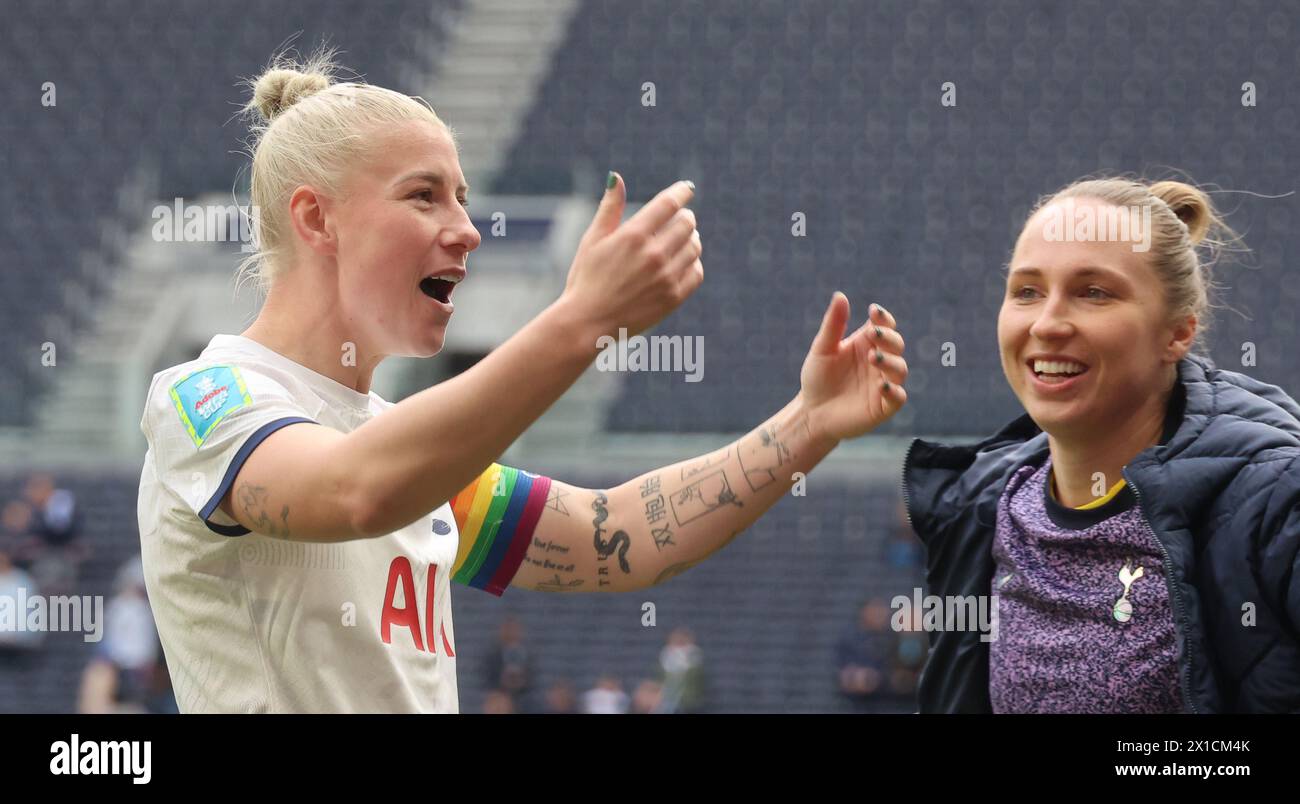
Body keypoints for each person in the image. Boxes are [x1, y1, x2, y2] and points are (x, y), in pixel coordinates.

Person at [136, 50, 909, 713]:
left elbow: (620, 539)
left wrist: (809, 423)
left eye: (464, 199)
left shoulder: (403, 451)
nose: (468, 230)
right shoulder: (205, 400)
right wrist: (579, 322)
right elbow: (354, 493)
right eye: (423, 194)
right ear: (316, 219)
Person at [904, 176, 1300, 713]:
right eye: (1027, 291)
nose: (1047, 323)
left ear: (1178, 332)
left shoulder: (1276, 507)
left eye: (1094, 292)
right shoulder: (982, 505)